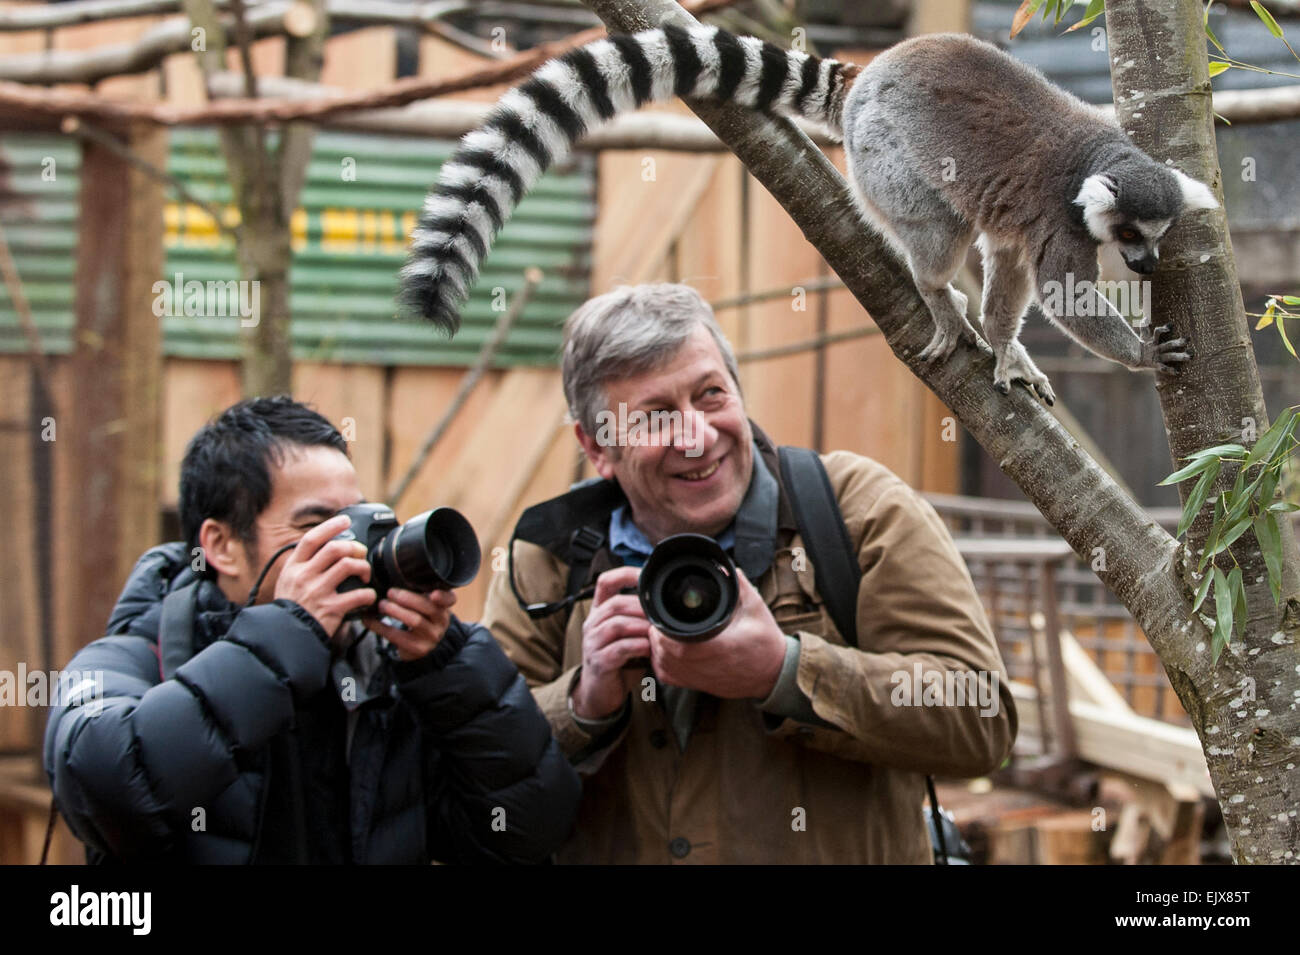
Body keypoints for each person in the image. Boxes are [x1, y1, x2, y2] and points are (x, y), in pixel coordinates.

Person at [483, 283, 1018, 864]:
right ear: (597, 447)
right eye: (656, 416)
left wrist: (784, 672)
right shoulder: (546, 559)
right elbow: (480, 766)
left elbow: (981, 717)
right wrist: (585, 704)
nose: (698, 435)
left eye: (710, 395)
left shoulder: (855, 511)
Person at [44, 396, 581, 864]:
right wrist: (285, 637)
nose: (347, 548)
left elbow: (524, 833)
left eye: (356, 523)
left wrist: (450, 670)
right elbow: (109, 791)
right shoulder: (133, 659)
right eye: (314, 526)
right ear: (222, 545)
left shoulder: (386, 676)